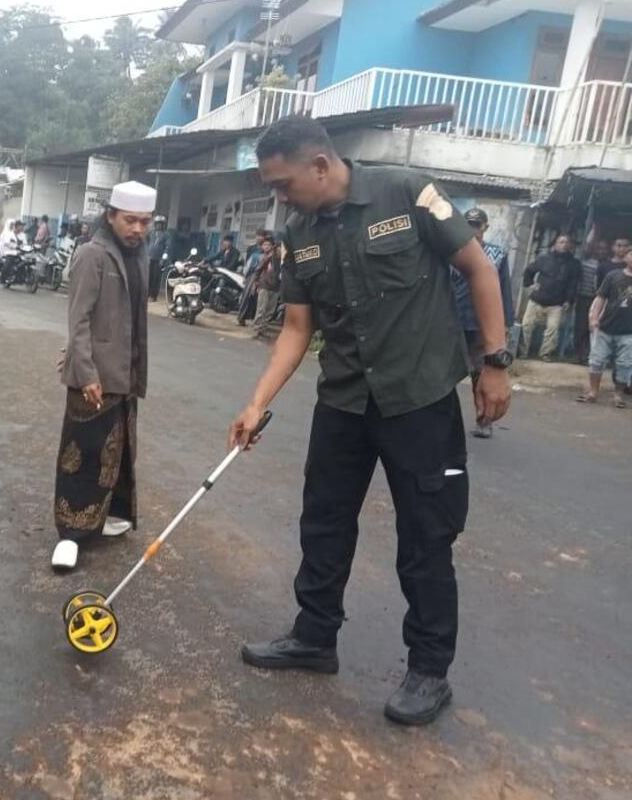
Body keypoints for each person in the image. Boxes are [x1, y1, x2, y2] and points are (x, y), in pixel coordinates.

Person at [228, 117, 511, 726]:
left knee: (425, 536)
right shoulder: (299, 231)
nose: (277, 197)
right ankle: (314, 637)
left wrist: (495, 362)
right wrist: (256, 402)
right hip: (345, 400)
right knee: (324, 521)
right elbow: (298, 329)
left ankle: (429, 670)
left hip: (420, 398)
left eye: (282, 183)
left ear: (321, 166)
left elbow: (478, 269)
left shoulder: (406, 192)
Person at [52, 181, 156, 570]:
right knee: (82, 454)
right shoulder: (91, 255)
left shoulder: (141, 255)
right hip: (92, 376)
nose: (138, 229)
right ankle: (70, 533)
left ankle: (107, 516)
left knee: (119, 448)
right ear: (111, 216)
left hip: (125, 373)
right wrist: (85, 371)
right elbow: (77, 320)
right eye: (130, 220)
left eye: (145, 222)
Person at [451, 208, 516, 438]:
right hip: (452, 323)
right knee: (443, 375)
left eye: (476, 225)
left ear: (485, 227)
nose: (472, 229)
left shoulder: (496, 255)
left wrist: (505, 324)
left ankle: (484, 420)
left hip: (481, 326)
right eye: (468, 224)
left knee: (483, 375)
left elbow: (504, 292)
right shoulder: (452, 250)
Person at [578, 248, 632, 408]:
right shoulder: (613, 276)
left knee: (624, 364)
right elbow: (600, 298)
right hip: (605, 327)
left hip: (629, 332)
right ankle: (593, 392)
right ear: (627, 257)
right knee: (596, 361)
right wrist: (594, 318)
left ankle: (618, 396)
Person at [520, 235, 580, 361]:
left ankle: (545, 354)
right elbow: (529, 270)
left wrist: (569, 301)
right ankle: (522, 352)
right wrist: (530, 284)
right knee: (526, 326)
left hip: (556, 303)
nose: (564, 244)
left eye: (567, 242)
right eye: (561, 242)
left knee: (552, 330)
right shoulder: (544, 258)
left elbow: (573, 285)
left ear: (570, 246)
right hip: (537, 300)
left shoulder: (573, 264)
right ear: (555, 244)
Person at [576, 239, 610, 364]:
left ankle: (593, 356)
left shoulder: (608, 266)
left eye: (604, 248)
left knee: (597, 329)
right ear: (594, 250)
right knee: (581, 327)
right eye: (599, 248)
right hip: (584, 298)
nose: (601, 251)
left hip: (602, 300)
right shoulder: (585, 263)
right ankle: (580, 356)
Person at [252, 234, 282, 339]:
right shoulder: (267, 257)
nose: (266, 247)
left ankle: (263, 330)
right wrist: (256, 283)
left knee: (270, 311)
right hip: (264, 285)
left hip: (275, 287)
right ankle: (257, 331)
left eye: (268, 245)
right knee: (261, 309)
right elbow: (258, 270)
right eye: (264, 245)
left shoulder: (281, 260)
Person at [238, 229, 268, 325]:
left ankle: (254, 319)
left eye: (261, 236)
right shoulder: (251, 248)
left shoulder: (267, 249)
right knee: (246, 296)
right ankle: (241, 317)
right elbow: (248, 262)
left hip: (263, 275)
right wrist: (245, 275)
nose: (259, 237)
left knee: (257, 299)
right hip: (251, 275)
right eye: (258, 235)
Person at [148, 216, 169, 302]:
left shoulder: (166, 235)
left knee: (156, 278)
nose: (158, 226)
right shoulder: (151, 233)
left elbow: (167, 248)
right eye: (157, 224)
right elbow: (146, 244)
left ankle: (153, 295)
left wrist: (163, 259)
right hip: (150, 257)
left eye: (160, 224)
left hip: (159, 259)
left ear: (163, 225)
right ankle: (147, 294)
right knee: (149, 276)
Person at [0, 219, 22, 283]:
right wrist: (14, 246)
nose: (12, 226)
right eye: (11, 225)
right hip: (9, 252)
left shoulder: (20, 235)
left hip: (18, 252)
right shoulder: (8, 234)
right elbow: (6, 243)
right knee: (8, 263)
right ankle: (2, 279)